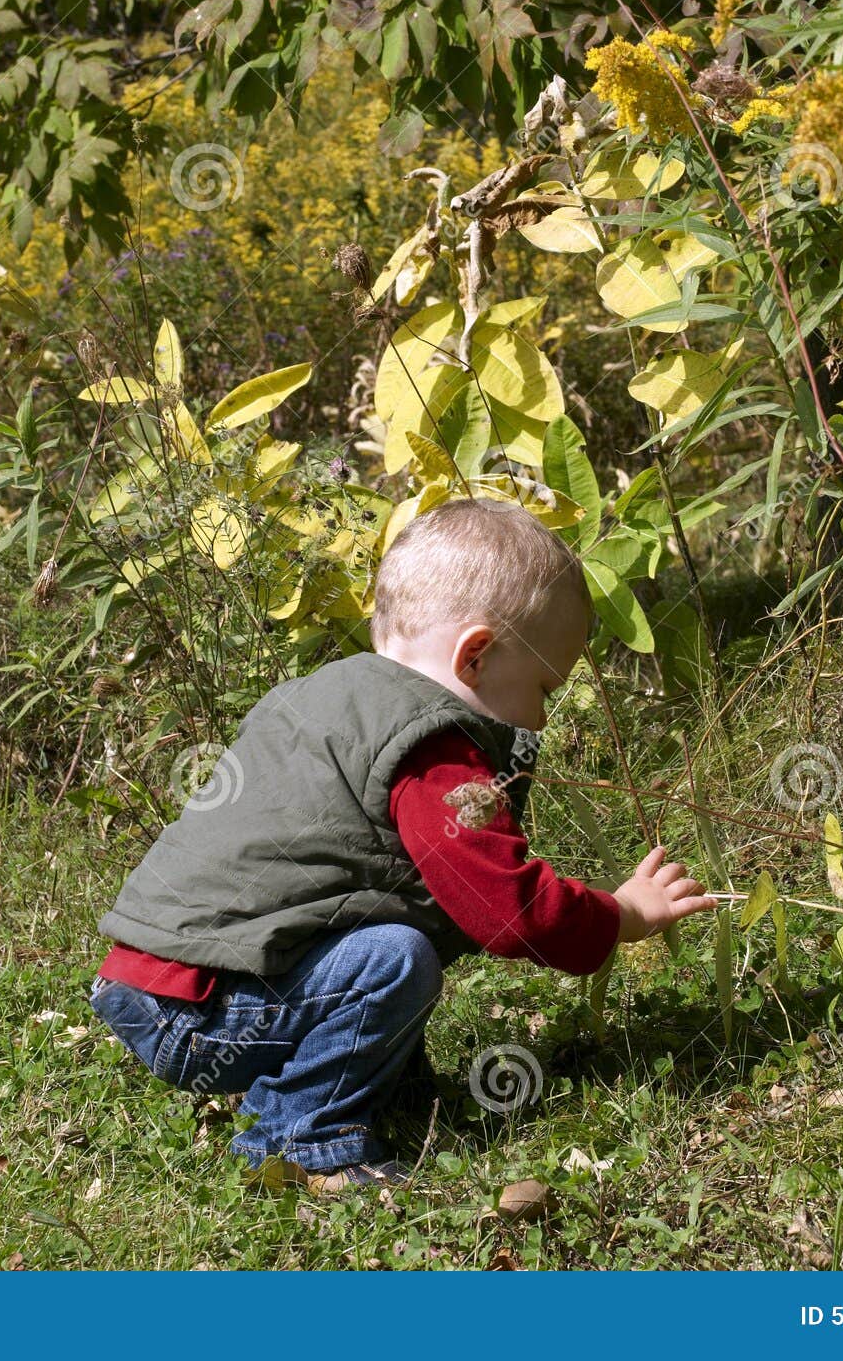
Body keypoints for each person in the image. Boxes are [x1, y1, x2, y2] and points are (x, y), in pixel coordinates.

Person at [90, 498, 713, 1191]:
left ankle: (383, 1091)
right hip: (199, 1012)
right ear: (474, 656)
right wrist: (621, 915)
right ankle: (305, 1137)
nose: (540, 716)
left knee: (377, 922)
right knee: (393, 958)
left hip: (154, 985)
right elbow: (506, 905)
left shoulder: (325, 695)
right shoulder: (428, 746)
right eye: (543, 688)